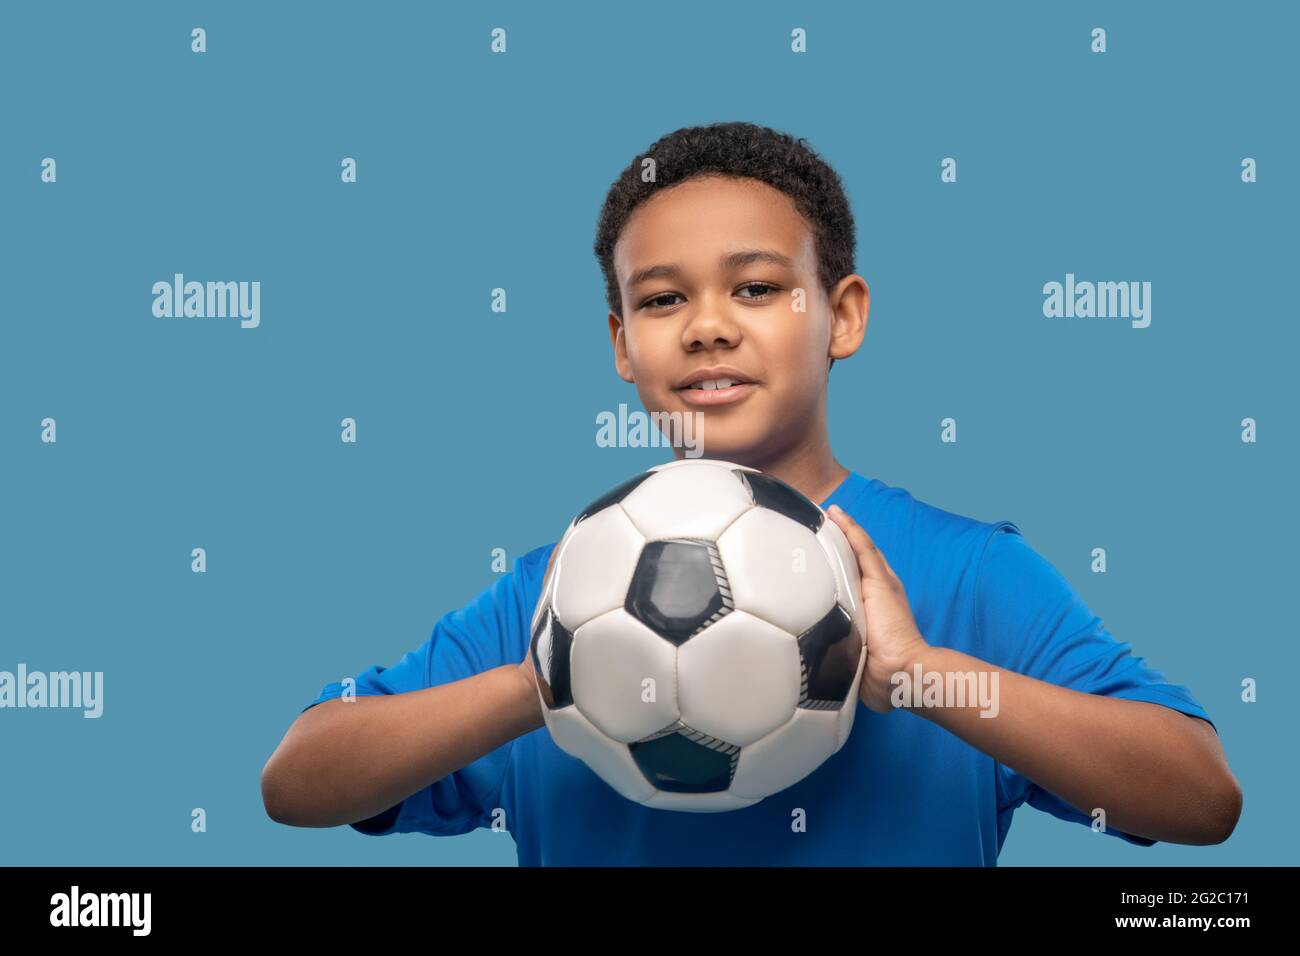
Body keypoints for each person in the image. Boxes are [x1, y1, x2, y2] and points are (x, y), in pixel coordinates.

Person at [260, 121, 1241, 865]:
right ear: (620, 344)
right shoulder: (549, 596)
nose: (706, 328)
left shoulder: (970, 573)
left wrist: (922, 676)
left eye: (757, 287)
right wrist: (541, 680)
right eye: (660, 298)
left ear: (842, 315)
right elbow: (300, 778)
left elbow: (1201, 798)